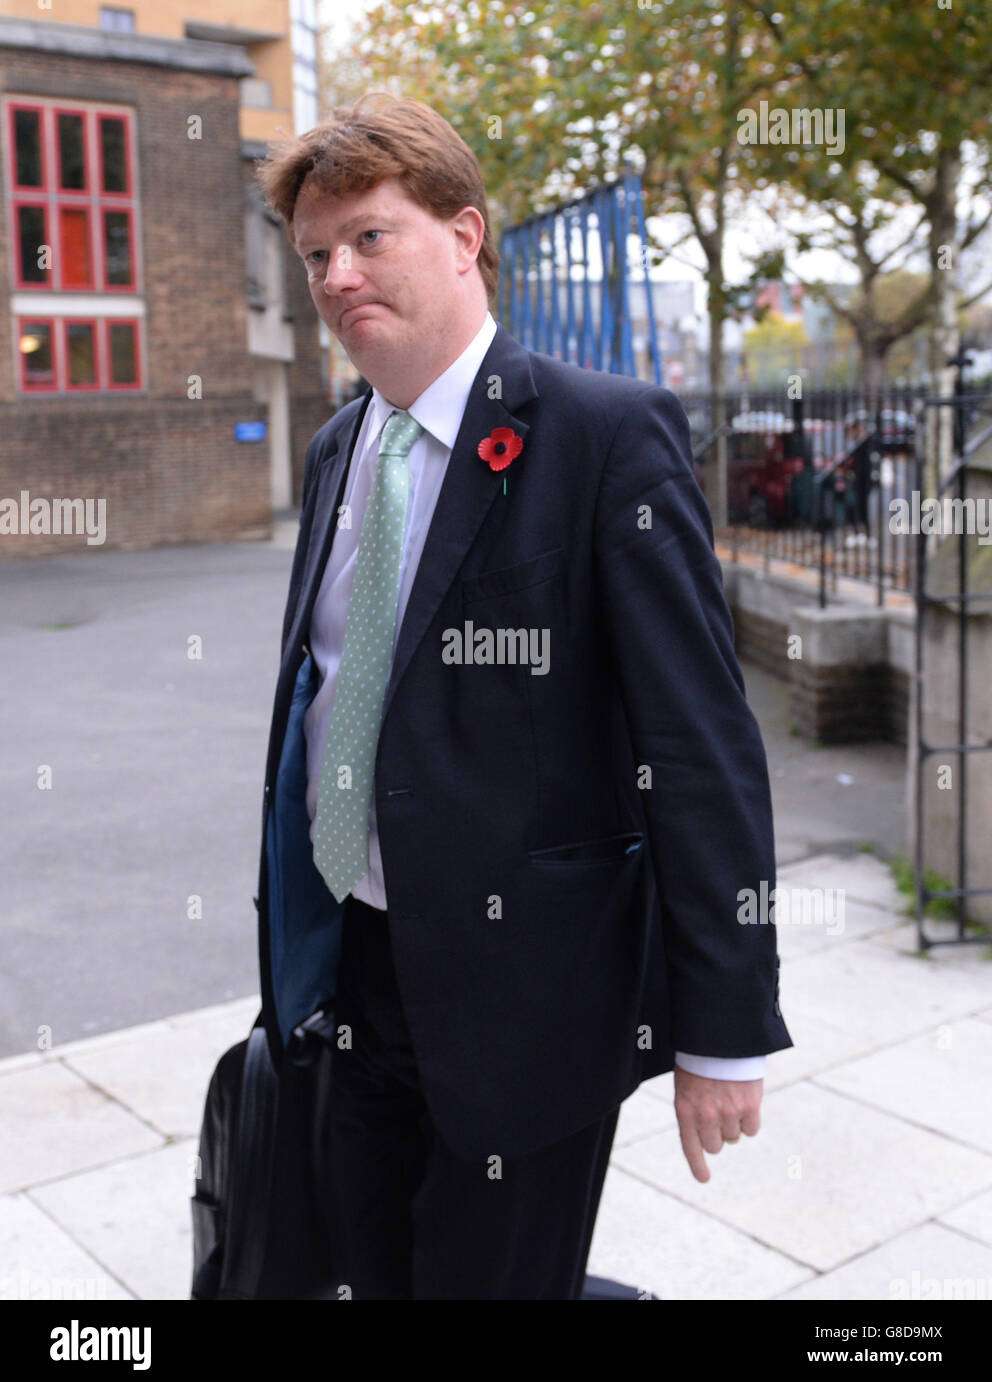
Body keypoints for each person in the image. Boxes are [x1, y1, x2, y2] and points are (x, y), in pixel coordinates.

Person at [253, 91, 792, 1301]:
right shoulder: (339, 449)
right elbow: (328, 697)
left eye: (369, 237)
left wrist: (722, 1027)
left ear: (464, 234)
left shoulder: (604, 438)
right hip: (348, 968)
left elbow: (698, 742)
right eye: (314, 255)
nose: (337, 275)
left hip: (526, 999)